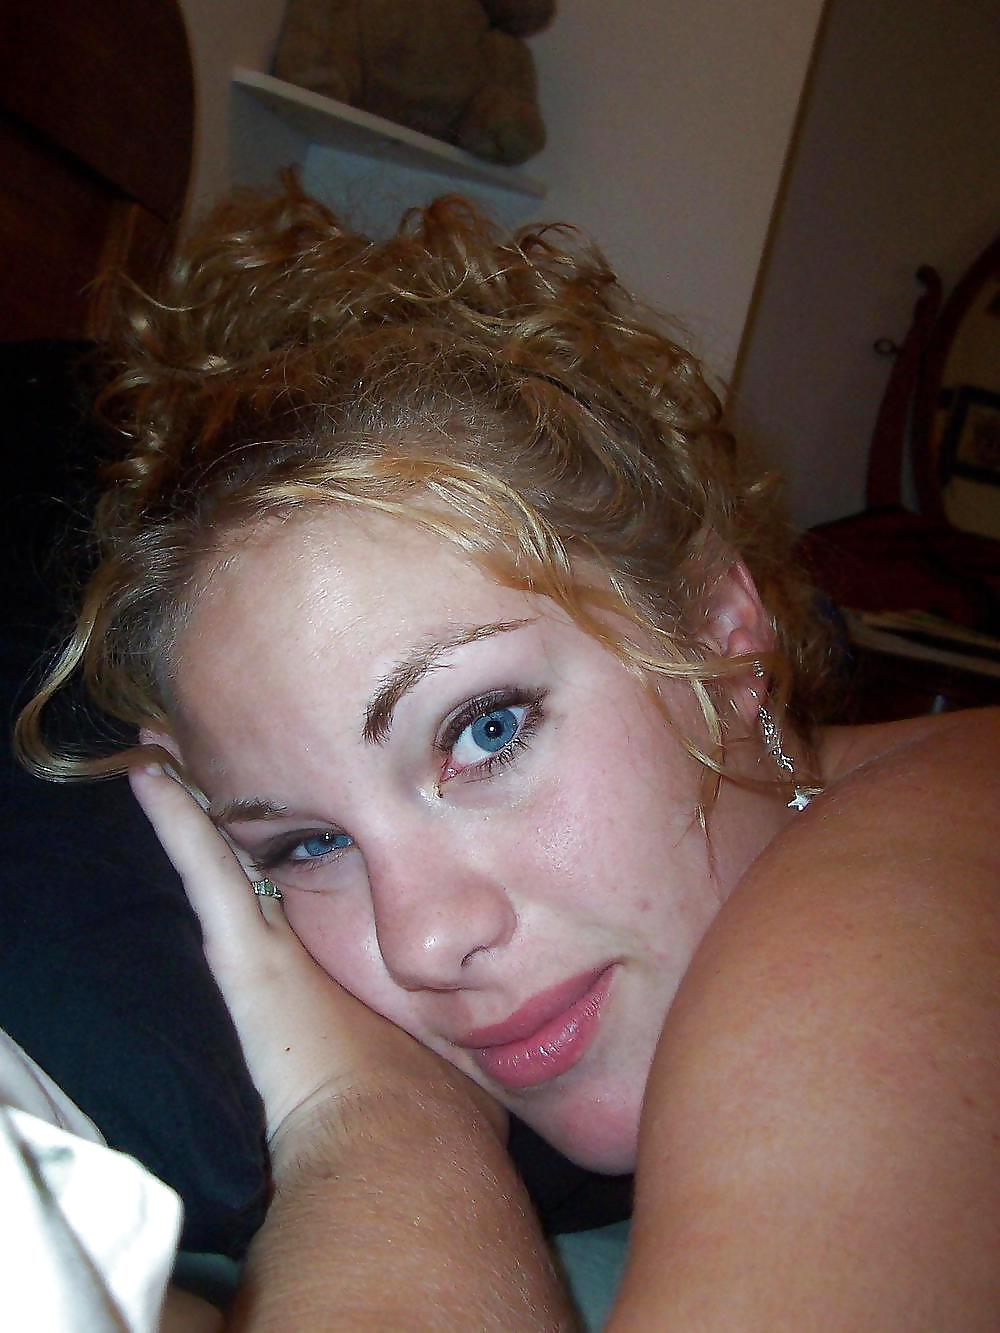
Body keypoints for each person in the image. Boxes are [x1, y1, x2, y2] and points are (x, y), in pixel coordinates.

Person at [15, 178, 999, 1329]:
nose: (422, 941)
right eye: (309, 842)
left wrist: (383, 1123)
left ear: (722, 627)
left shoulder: (920, 862)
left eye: (486, 731)